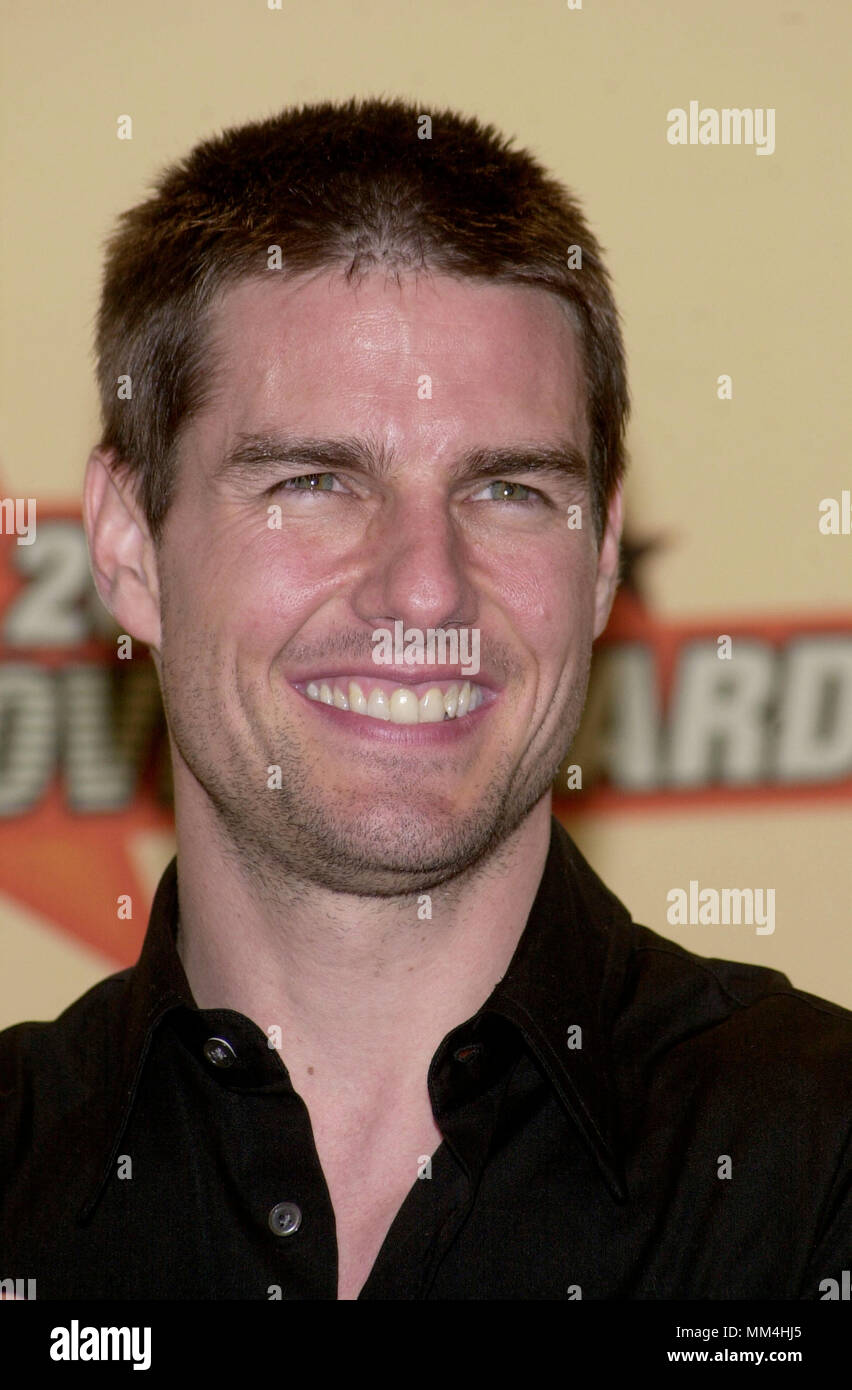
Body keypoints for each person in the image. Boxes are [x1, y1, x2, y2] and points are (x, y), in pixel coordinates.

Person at [1, 96, 849, 1302]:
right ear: (131, 542)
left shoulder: (816, 1166)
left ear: (603, 554)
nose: (424, 587)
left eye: (507, 489)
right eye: (313, 480)